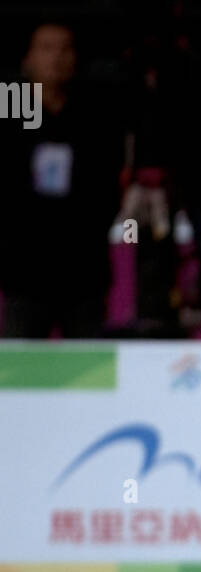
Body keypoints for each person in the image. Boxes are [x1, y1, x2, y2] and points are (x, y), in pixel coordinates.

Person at [0, 22, 124, 337]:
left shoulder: (95, 118)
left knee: (88, 378)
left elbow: (108, 191)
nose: (56, 57)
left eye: (65, 49)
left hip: (83, 273)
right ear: (27, 59)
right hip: (22, 272)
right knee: (20, 377)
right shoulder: (8, 114)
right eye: (46, 48)